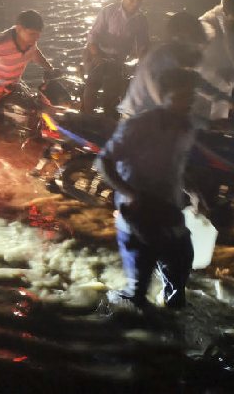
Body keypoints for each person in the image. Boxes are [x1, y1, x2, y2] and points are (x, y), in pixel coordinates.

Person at [98, 68, 200, 310]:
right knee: (138, 288)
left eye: (190, 97)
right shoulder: (139, 125)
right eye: (179, 97)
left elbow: (178, 167)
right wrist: (131, 194)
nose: (186, 103)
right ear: (162, 97)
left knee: (181, 264)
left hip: (168, 206)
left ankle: (172, 318)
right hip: (138, 211)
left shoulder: (186, 127)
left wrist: (196, 193)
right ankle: (122, 319)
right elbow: (104, 161)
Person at [118, 11, 228, 119]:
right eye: (194, 45)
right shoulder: (160, 63)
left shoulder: (176, 61)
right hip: (139, 122)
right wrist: (206, 124)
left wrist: (223, 98)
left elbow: (194, 79)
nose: (198, 52)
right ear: (180, 40)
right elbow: (169, 107)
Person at [0, 10, 54, 135]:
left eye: (38, 34)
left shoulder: (30, 41)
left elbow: (35, 53)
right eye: (32, 34)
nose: (36, 38)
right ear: (19, 29)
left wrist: (50, 69)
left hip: (11, 84)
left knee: (32, 112)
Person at [82, 0, 150, 116]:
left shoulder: (141, 20)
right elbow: (93, 37)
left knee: (112, 95)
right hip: (97, 53)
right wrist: (97, 56)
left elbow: (142, 46)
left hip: (117, 60)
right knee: (91, 87)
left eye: (139, 0)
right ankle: (85, 115)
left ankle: (109, 119)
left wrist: (144, 65)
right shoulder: (108, 12)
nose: (135, 4)